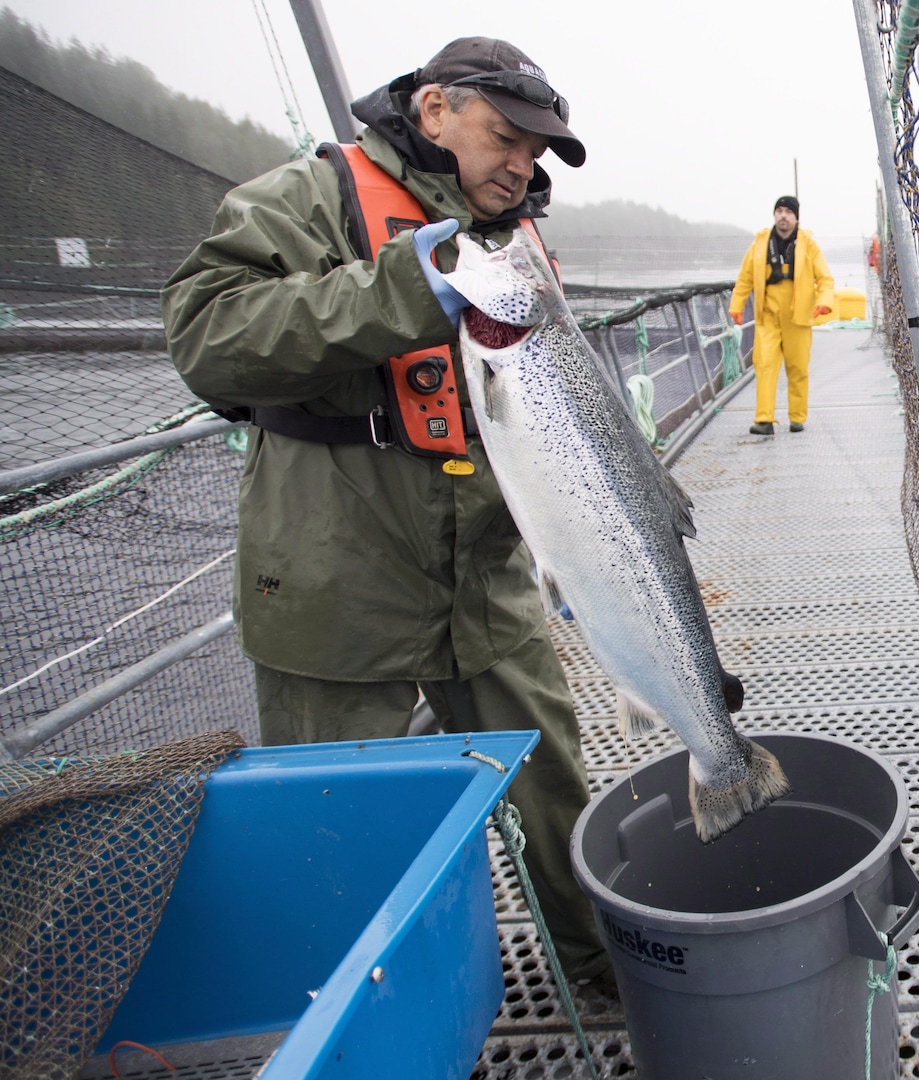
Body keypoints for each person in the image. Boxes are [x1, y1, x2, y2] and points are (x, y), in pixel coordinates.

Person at [162, 37, 614, 994]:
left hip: (484, 590)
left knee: (556, 793)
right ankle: (369, 1022)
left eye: (539, 153)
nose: (522, 167)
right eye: (508, 139)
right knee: (338, 829)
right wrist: (400, 287)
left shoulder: (519, 239)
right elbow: (207, 337)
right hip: (336, 587)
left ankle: (605, 975)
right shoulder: (311, 195)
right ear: (436, 108)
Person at [729, 196, 836, 435]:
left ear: (796, 217)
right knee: (764, 364)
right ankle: (763, 419)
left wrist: (824, 302)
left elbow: (825, 279)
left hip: (798, 316)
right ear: (774, 215)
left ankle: (797, 417)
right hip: (768, 315)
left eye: (788, 211)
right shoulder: (759, 244)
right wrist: (737, 305)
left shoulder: (808, 245)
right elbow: (745, 278)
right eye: (779, 211)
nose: (783, 215)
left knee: (797, 368)